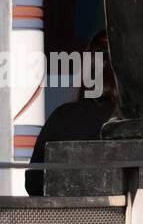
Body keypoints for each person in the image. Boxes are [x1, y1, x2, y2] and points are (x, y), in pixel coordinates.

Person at [25, 31, 117, 196]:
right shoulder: (134, 122)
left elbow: (33, 182)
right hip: (124, 220)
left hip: (67, 220)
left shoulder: (62, 117)